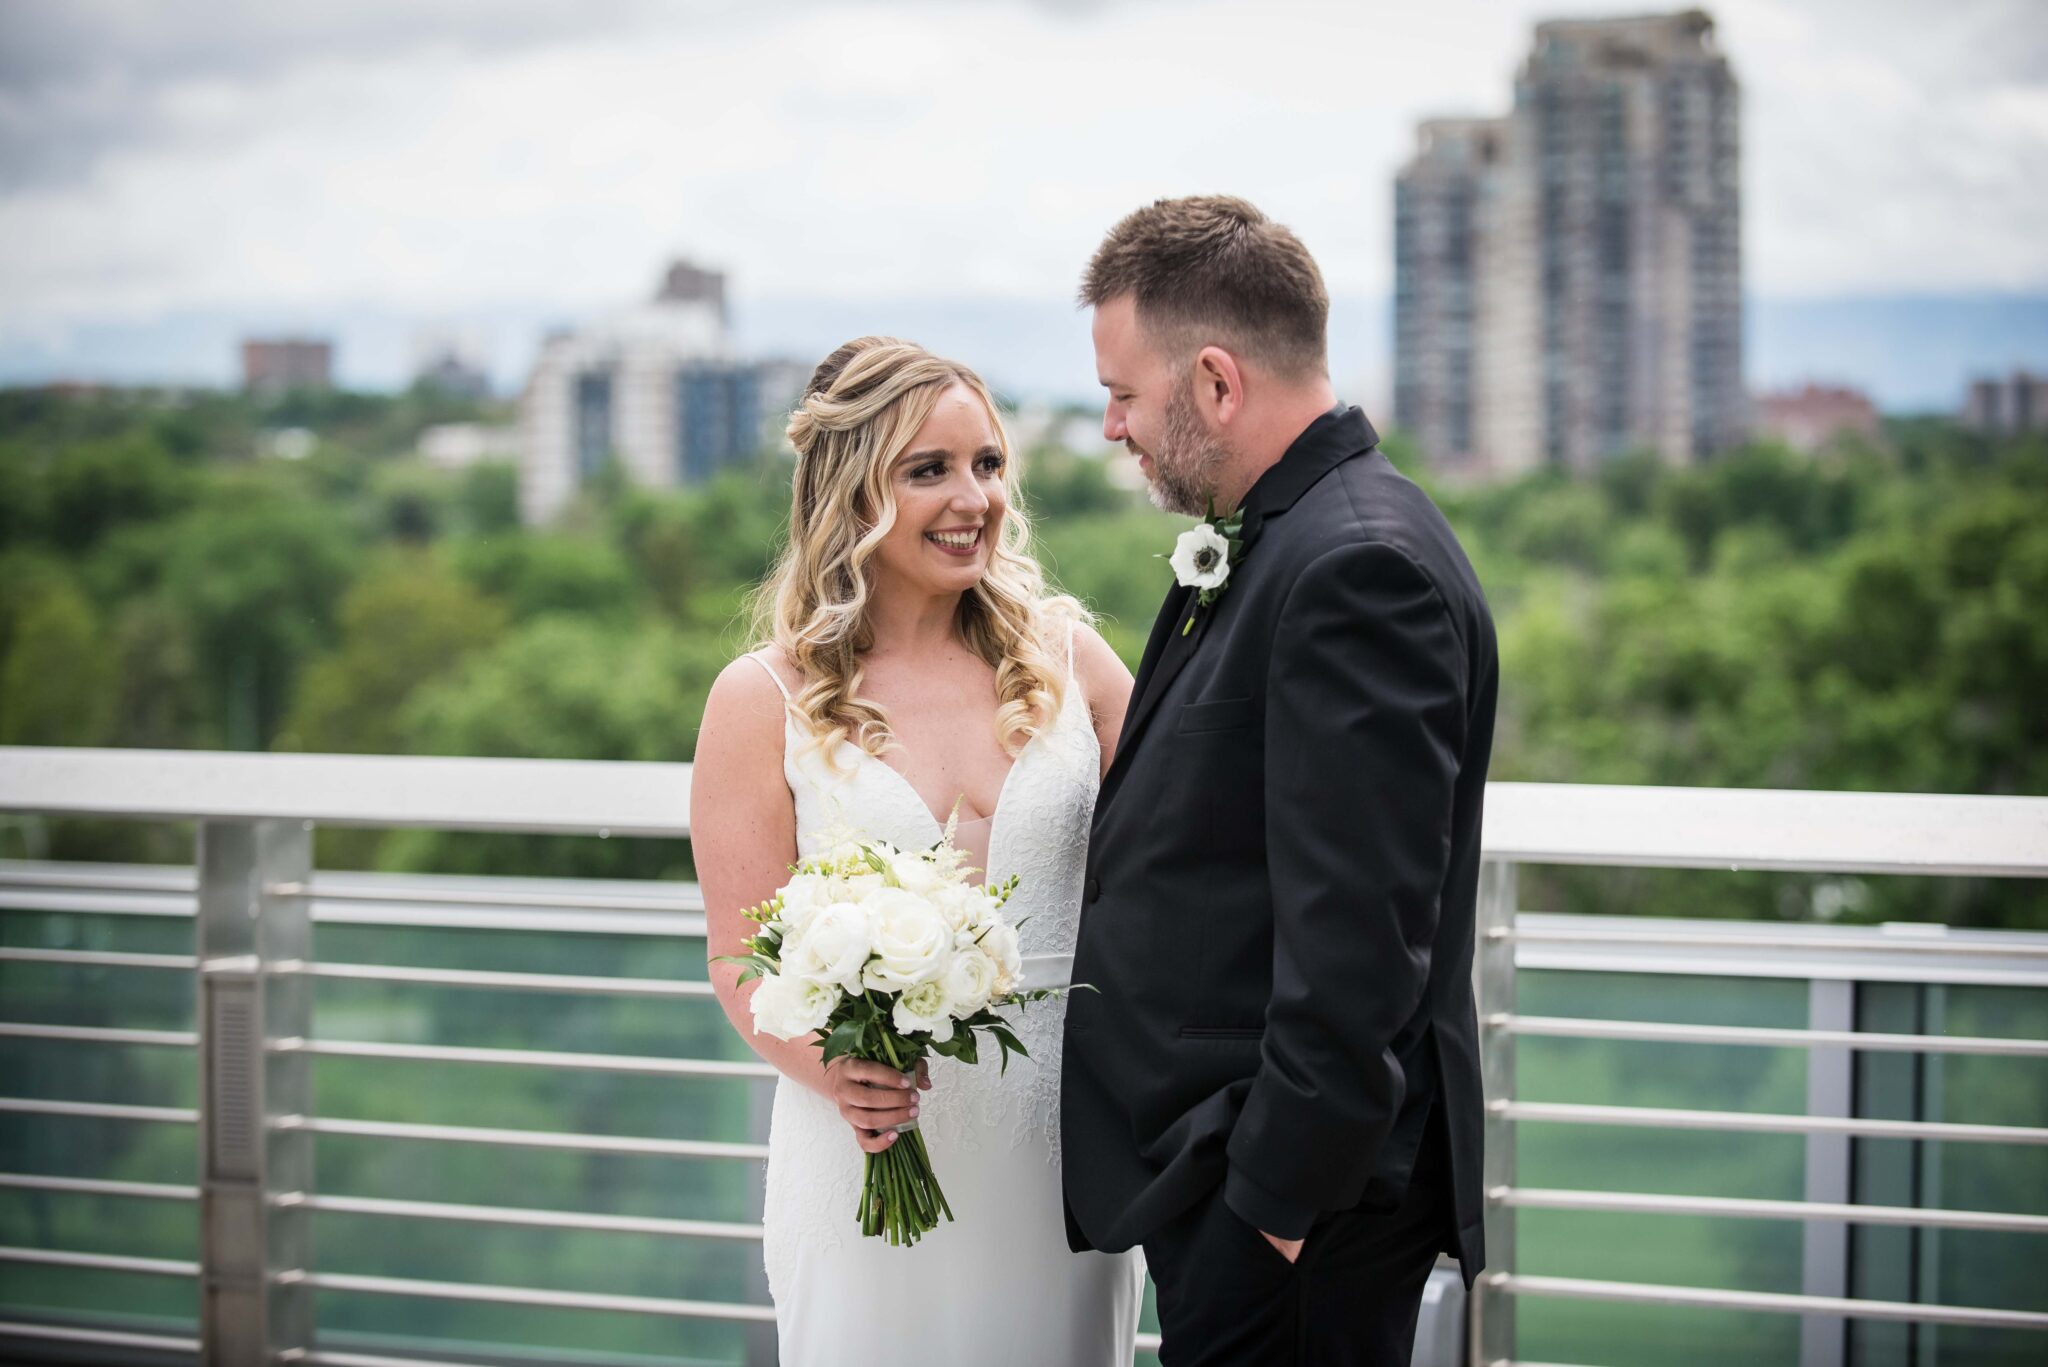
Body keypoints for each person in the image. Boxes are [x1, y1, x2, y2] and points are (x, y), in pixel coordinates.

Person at [1060, 195, 1499, 1365]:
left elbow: (1358, 945)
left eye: (1122, 393)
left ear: (1213, 381)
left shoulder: (1355, 566)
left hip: (1292, 1222)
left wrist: (1266, 1210)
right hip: (1245, 1192)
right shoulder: (1294, 530)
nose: (1109, 426)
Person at [692, 337, 1143, 1365]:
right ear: (850, 491)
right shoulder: (759, 700)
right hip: (868, 1152)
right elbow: (734, 953)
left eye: (986, 463)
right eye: (928, 469)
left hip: (1060, 1153)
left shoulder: (1070, 659)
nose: (972, 497)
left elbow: (1194, 840)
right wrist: (832, 1066)